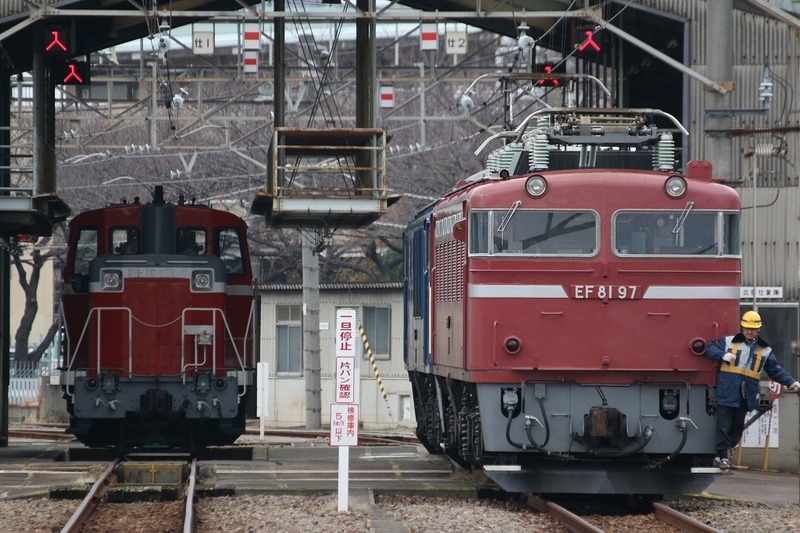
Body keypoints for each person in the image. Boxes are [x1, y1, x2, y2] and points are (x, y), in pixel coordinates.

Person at [706, 310, 800, 469]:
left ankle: (723, 454)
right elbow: (709, 348)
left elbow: (775, 370)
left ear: (758, 329)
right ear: (742, 327)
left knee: (737, 427)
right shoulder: (728, 342)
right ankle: (722, 457)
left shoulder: (765, 350)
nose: (749, 331)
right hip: (727, 391)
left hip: (746, 394)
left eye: (753, 328)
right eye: (747, 328)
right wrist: (722, 355)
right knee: (723, 425)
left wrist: (791, 382)